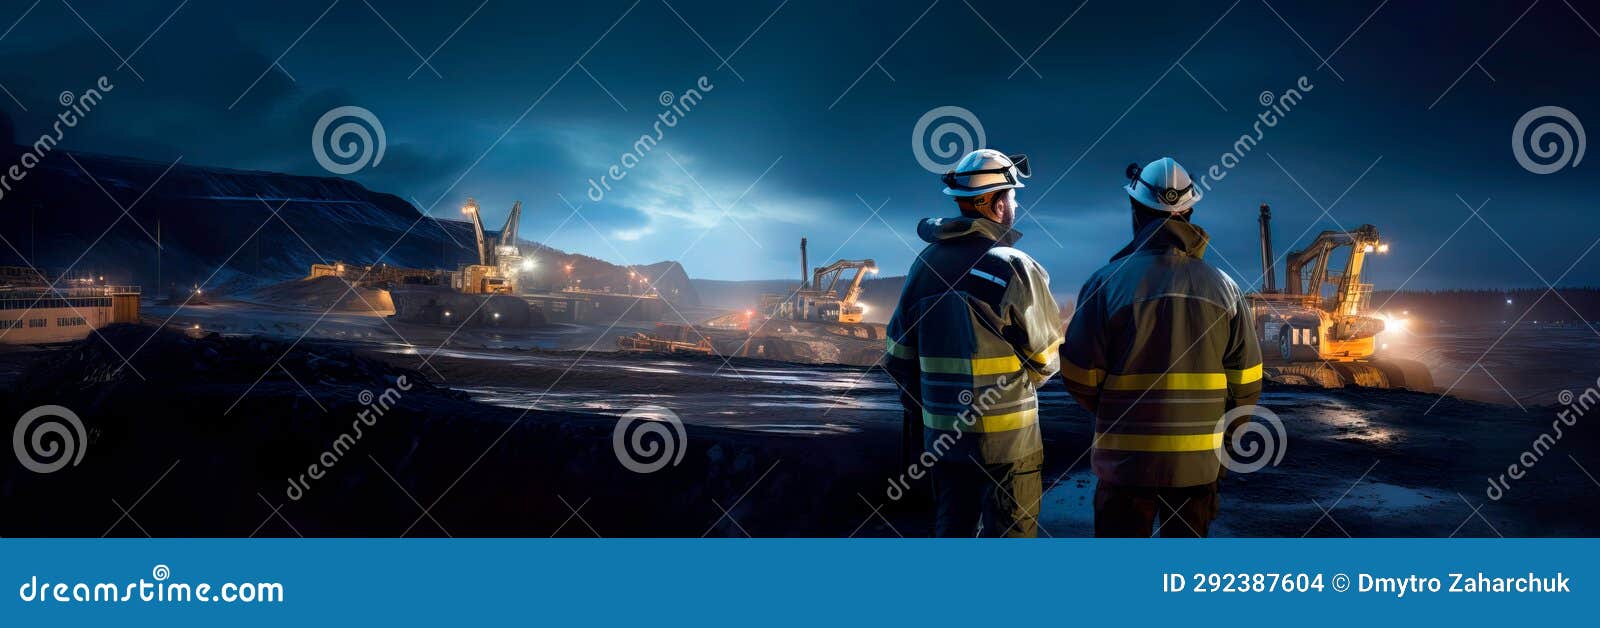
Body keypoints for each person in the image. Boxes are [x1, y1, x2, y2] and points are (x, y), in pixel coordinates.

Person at [1060, 157, 1262, 537]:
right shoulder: (1226, 288)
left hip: (1124, 465)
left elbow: (1078, 376)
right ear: (1189, 212)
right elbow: (1247, 382)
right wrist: (1222, 444)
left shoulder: (1105, 284)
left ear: (1135, 211)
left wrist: (1115, 412)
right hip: (1198, 466)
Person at [884, 149, 1063, 537]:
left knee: (953, 533)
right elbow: (1046, 359)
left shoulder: (923, 266)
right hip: (1009, 445)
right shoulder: (1013, 265)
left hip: (944, 442)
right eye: (1012, 197)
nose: (1014, 206)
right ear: (998, 205)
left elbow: (898, 356)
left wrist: (933, 408)